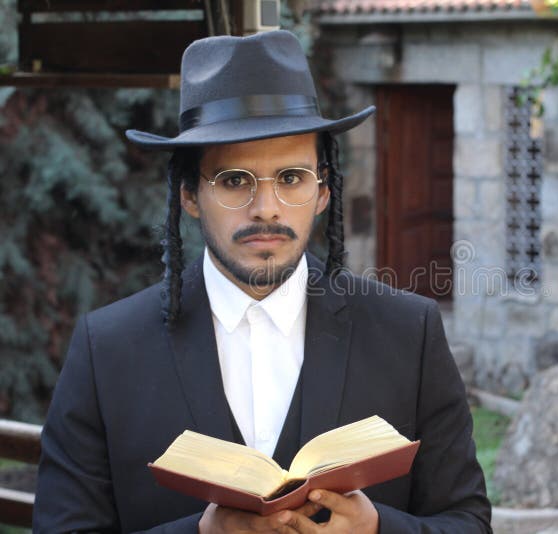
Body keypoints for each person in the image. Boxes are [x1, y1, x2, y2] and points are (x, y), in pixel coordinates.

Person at [33, 30, 491, 533]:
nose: (266, 208)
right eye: (234, 181)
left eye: (291, 178)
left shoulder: (408, 332)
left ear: (323, 191)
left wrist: (378, 527)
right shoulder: (107, 349)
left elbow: (468, 523)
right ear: (189, 195)